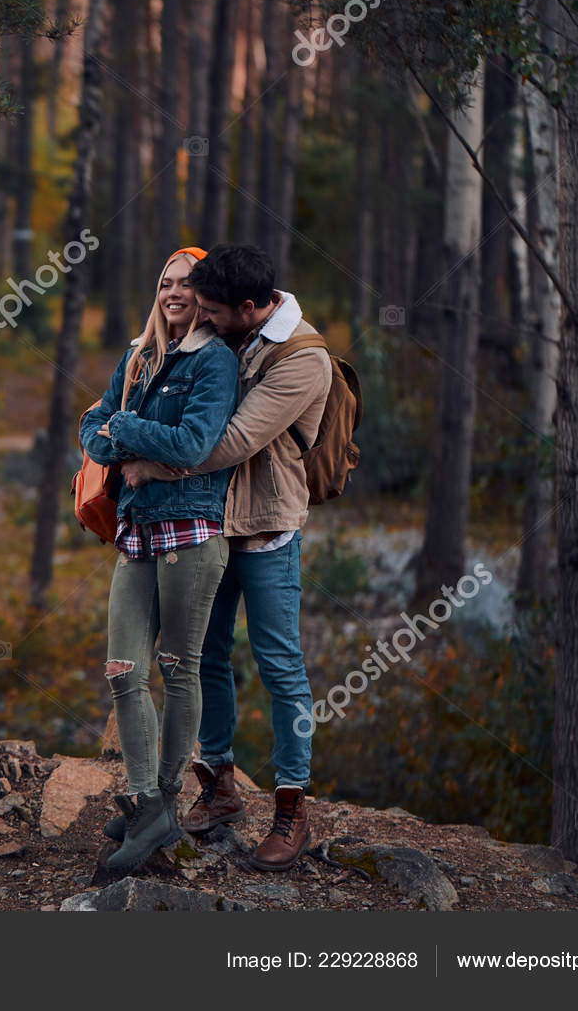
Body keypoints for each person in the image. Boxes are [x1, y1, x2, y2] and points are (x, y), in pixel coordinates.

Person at [126, 242, 332, 872]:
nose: (203, 317)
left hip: (267, 528)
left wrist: (149, 463)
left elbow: (233, 439)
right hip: (209, 525)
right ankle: (218, 785)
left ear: (248, 306)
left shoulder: (304, 358)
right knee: (205, 657)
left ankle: (292, 807)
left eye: (213, 311)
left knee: (280, 665)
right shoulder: (227, 332)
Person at [78, 248, 238, 874]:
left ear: (205, 295)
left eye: (187, 285)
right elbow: (92, 424)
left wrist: (122, 430)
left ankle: (162, 801)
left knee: (177, 668)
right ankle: (147, 801)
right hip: (136, 529)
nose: (174, 293)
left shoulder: (215, 362)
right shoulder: (139, 356)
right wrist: (122, 439)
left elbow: (194, 444)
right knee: (123, 669)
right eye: (166, 282)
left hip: (191, 531)